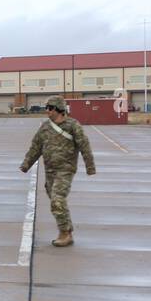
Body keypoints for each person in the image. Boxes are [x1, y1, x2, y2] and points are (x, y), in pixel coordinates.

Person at [20, 95, 96, 248]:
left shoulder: (72, 125)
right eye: (46, 108)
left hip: (65, 169)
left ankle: (65, 233)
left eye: (50, 108)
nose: (47, 111)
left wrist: (90, 167)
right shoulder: (45, 127)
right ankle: (67, 229)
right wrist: (26, 164)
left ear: (59, 109)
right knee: (55, 200)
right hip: (50, 170)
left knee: (57, 200)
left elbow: (84, 146)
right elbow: (36, 147)